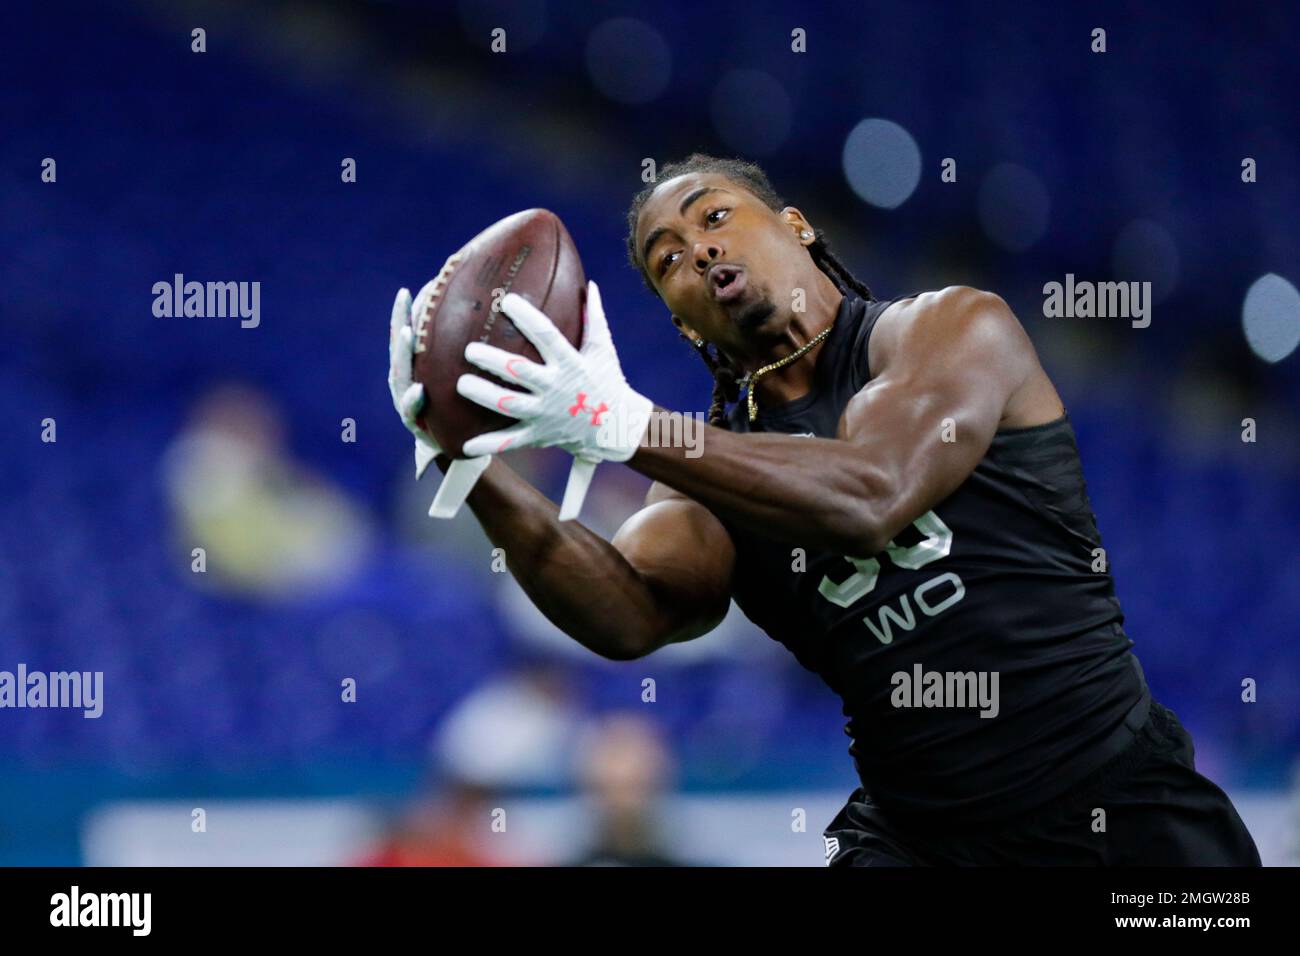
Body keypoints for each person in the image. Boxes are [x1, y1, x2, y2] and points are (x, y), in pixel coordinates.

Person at [387, 153, 1260, 866]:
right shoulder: (696, 479)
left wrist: (622, 423)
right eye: (667, 260)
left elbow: (871, 492)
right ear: (685, 325)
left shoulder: (951, 329)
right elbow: (628, 616)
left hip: (1120, 804)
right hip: (921, 842)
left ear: (796, 227)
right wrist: (467, 459)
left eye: (715, 216)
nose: (698, 251)